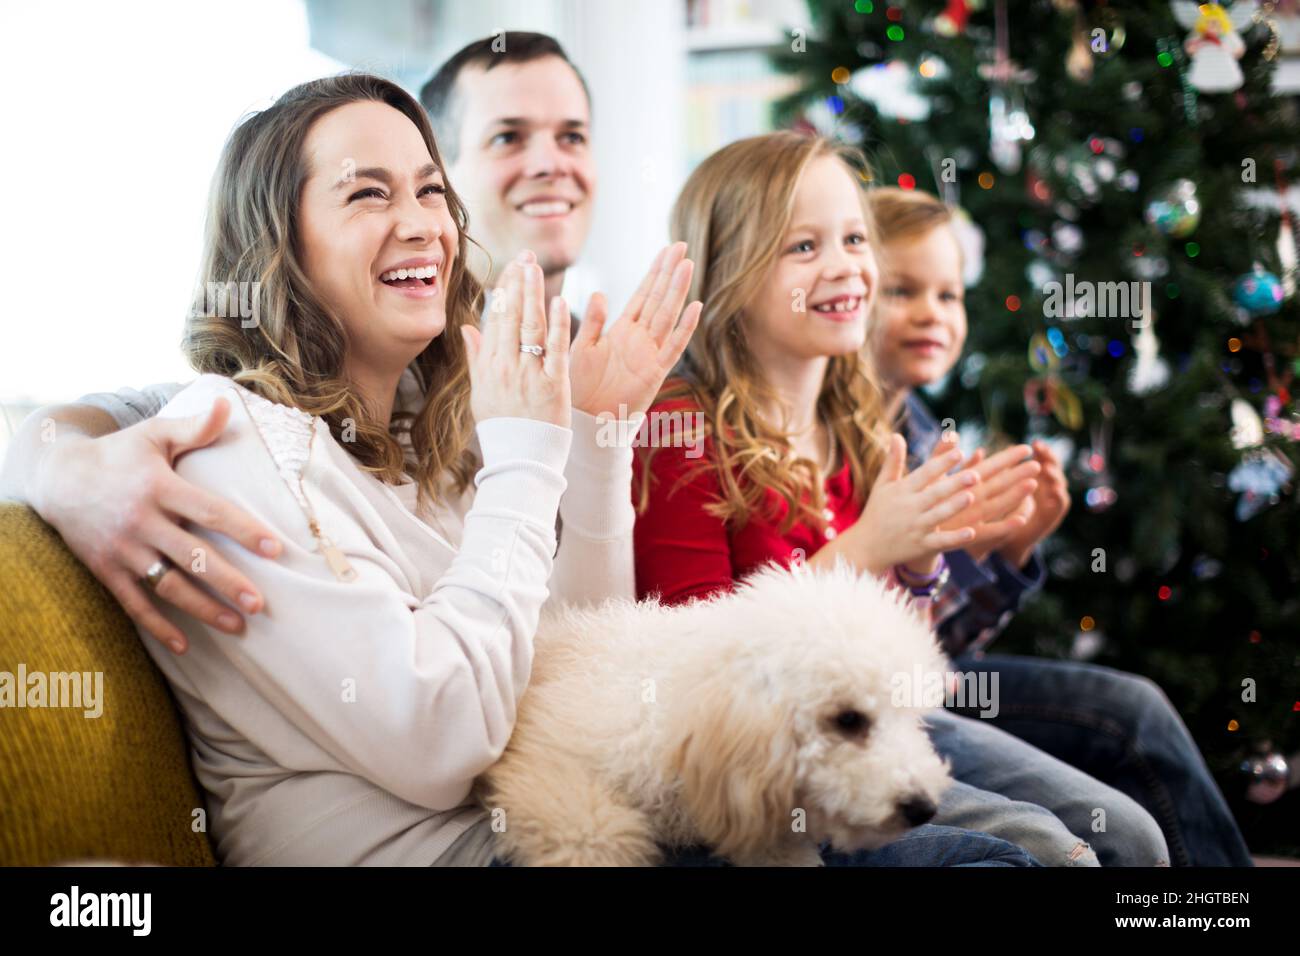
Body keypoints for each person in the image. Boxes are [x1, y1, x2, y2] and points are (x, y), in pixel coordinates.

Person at [0, 57, 1035, 867]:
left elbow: (571, 654)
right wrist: (54, 456)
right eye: (366, 194)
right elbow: (442, 735)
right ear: (278, 245)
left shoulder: (427, 428)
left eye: (428, 190)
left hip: (551, 814)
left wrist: (589, 439)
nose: (420, 222)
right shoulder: (229, 434)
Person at [633, 131, 1173, 866]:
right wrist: (868, 548)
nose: (847, 265)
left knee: (1132, 837)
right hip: (785, 764)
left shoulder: (852, 418)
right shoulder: (685, 429)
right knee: (1056, 853)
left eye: (855, 238)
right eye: (803, 247)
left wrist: (922, 562)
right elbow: (692, 663)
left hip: (888, 723)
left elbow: (900, 652)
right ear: (730, 275)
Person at [865, 185, 1253, 867]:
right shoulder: (857, 437)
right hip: (895, 702)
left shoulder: (920, 426)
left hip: (932, 682)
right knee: (1128, 721)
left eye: (950, 295)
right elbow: (894, 643)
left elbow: (944, 639)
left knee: (1135, 708)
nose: (933, 313)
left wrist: (1009, 546)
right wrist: (966, 550)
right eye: (904, 291)